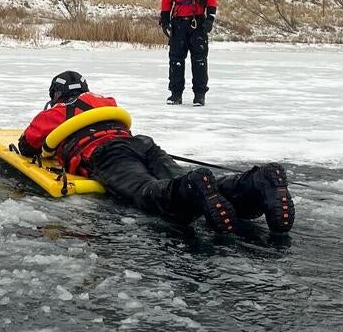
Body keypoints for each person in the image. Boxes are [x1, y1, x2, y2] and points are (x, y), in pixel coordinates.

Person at [17, 71, 294, 235]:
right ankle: (254, 183)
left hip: (106, 154)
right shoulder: (103, 100)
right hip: (141, 143)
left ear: (56, 94)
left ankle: (194, 187)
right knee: (187, 182)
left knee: (147, 191)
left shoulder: (53, 113)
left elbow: (27, 146)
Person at [159, 0, 218, 106]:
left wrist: (210, 17)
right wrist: (164, 18)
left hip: (197, 21)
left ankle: (200, 94)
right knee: (175, 59)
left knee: (199, 59)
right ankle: (175, 93)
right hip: (178, 21)